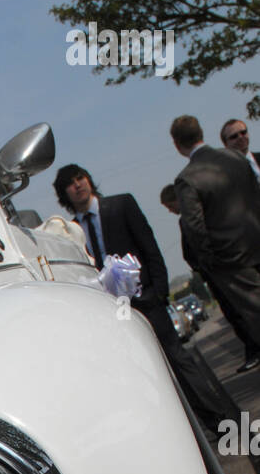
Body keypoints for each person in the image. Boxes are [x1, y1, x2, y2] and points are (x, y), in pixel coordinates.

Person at [53, 164, 236, 425]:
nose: (78, 185)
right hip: (111, 312)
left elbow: (149, 246)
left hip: (146, 300)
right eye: (70, 184)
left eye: (80, 178)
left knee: (178, 359)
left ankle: (220, 419)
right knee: (145, 374)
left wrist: (158, 292)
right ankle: (187, 426)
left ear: (89, 180)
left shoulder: (121, 205)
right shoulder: (71, 231)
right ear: (64, 194)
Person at [170, 115, 260, 355]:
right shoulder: (235, 157)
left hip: (231, 261)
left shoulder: (187, 179)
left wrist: (210, 261)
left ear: (177, 145)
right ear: (201, 132)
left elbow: (194, 227)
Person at [160, 183, 258, 373]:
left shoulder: (200, 216)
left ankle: (254, 349)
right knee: (232, 312)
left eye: (170, 206)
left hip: (222, 271)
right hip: (211, 274)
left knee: (238, 311)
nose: (171, 211)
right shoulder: (185, 221)